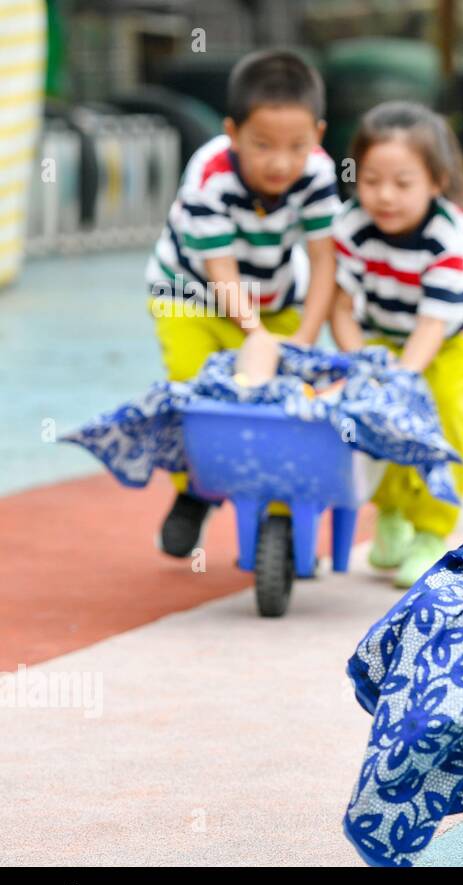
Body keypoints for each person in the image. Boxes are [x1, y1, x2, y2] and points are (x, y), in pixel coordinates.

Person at [148, 49, 340, 558]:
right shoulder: (210, 178)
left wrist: (303, 337)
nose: (280, 162)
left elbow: (324, 261)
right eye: (262, 145)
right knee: (198, 395)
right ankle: (195, 492)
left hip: (274, 296)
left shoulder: (318, 173)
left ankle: (278, 512)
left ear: (318, 136)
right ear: (232, 132)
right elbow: (222, 273)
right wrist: (255, 335)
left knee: (285, 398)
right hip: (189, 295)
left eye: (296, 146)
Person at [330, 102, 463, 589]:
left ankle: (432, 529)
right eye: (370, 180)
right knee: (374, 409)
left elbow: (433, 326)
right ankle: (391, 512)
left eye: (402, 183)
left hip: (459, 331)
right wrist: (363, 364)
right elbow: (341, 307)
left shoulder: (447, 234)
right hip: (386, 329)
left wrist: (402, 378)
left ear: (436, 181)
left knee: (440, 404)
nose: (384, 196)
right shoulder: (349, 227)